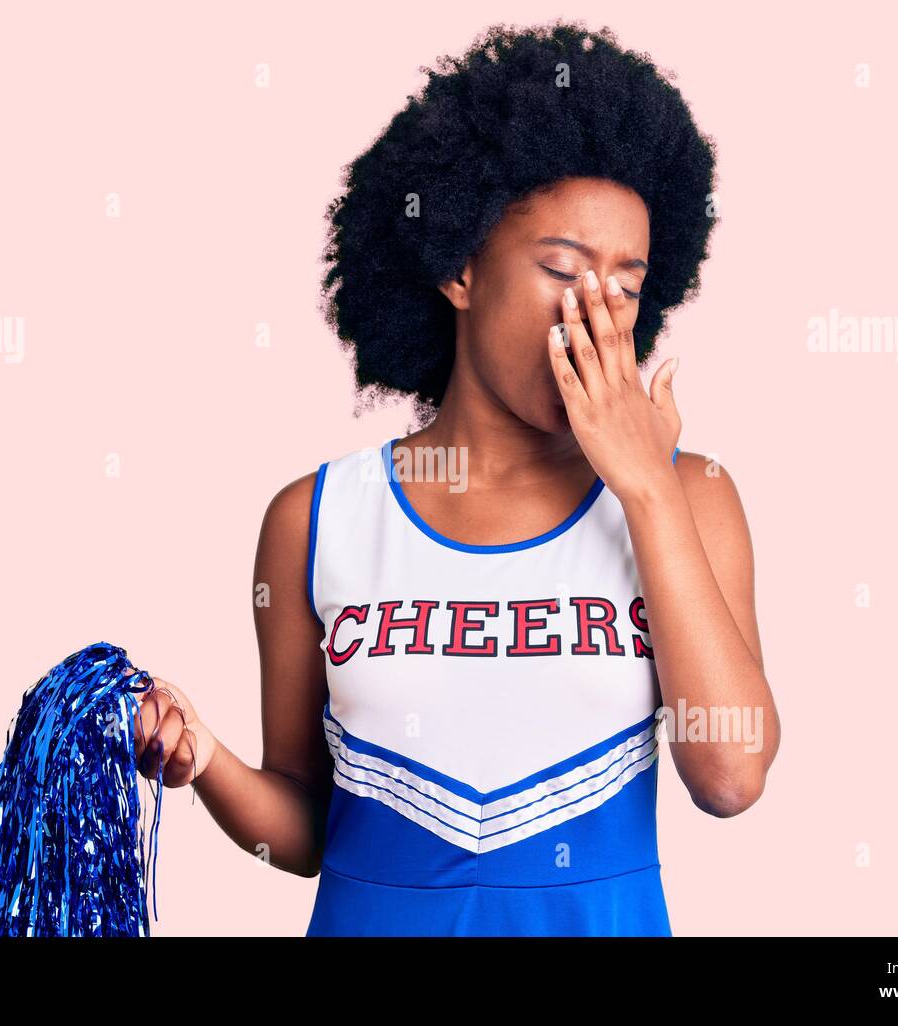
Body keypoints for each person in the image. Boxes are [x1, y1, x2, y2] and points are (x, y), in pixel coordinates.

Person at [131, 19, 780, 936]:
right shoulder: (315, 521)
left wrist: (643, 488)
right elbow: (307, 835)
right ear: (461, 268)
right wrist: (205, 761)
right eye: (562, 267)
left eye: (627, 284)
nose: (597, 311)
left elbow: (731, 776)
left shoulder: (691, 496)